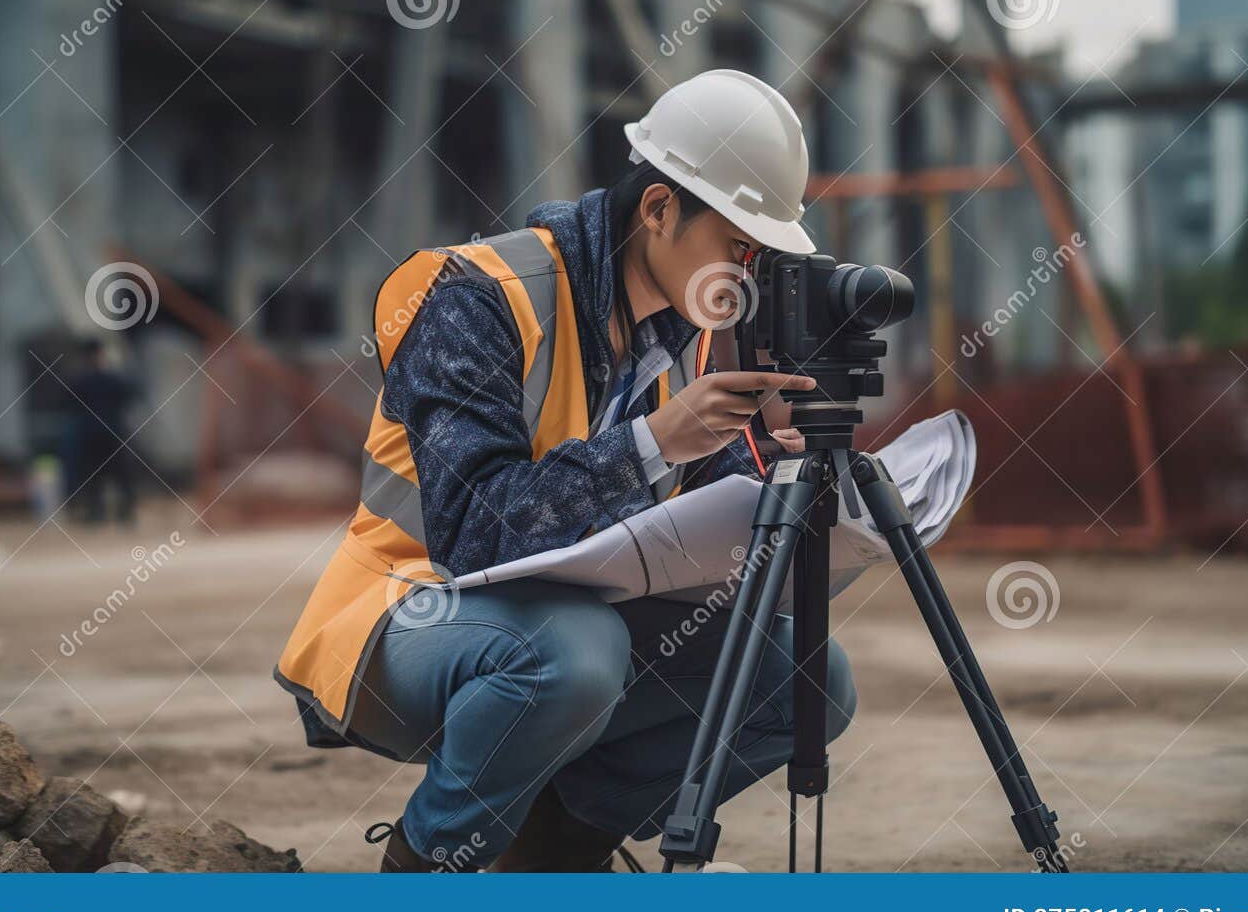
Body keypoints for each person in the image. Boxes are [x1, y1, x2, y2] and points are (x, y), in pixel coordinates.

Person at [275, 69, 857, 871]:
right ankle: (423, 873)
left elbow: (692, 514)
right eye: (737, 248)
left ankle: (553, 859)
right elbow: (475, 533)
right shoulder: (477, 297)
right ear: (659, 210)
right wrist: (654, 440)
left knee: (810, 673)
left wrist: (779, 486)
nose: (746, 275)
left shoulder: (674, 344)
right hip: (406, 615)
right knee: (577, 651)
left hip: (561, 625)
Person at [67, 339, 140, 524]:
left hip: (91, 434)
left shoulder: (80, 381)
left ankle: (96, 513)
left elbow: (67, 402)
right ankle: (125, 513)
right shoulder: (112, 378)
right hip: (113, 431)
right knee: (120, 474)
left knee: (94, 475)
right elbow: (129, 395)